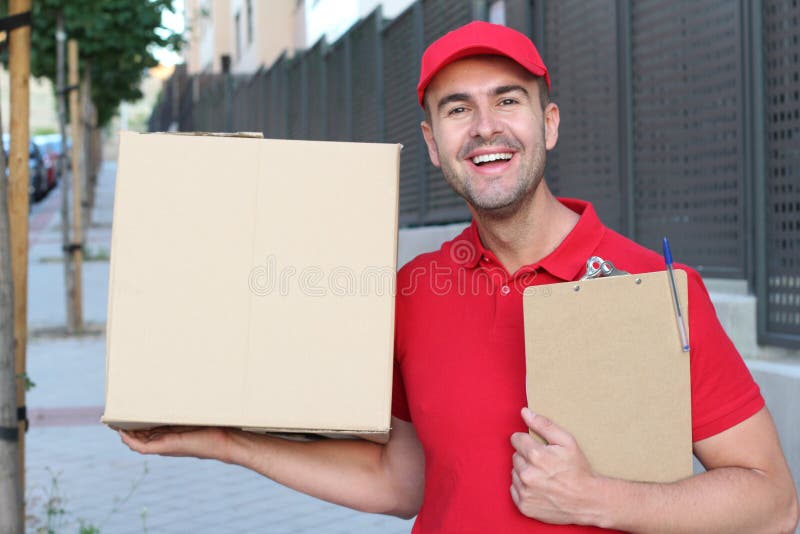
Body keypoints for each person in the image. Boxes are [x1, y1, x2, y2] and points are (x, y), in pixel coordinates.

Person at [121, 21, 799, 533]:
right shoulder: (415, 293)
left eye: (508, 100)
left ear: (548, 123)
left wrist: (597, 499)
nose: (484, 127)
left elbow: (773, 501)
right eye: (456, 109)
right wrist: (227, 442)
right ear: (431, 142)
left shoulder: (652, 288)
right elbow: (406, 480)